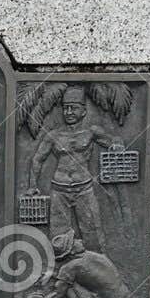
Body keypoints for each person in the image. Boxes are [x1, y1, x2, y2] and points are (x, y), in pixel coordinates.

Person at [25, 84, 114, 253]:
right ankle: (63, 271)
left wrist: (116, 145)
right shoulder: (54, 135)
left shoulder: (91, 132)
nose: (69, 112)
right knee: (58, 235)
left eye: (74, 108)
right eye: (66, 108)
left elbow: (112, 141)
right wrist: (32, 186)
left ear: (84, 111)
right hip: (59, 190)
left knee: (93, 231)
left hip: (84, 189)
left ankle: (97, 267)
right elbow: (38, 159)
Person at [21, 231, 137, 298]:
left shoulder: (69, 268)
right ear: (71, 251)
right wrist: (54, 275)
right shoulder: (94, 256)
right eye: (74, 241)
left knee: (69, 287)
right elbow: (89, 276)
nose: (79, 240)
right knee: (68, 281)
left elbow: (57, 295)